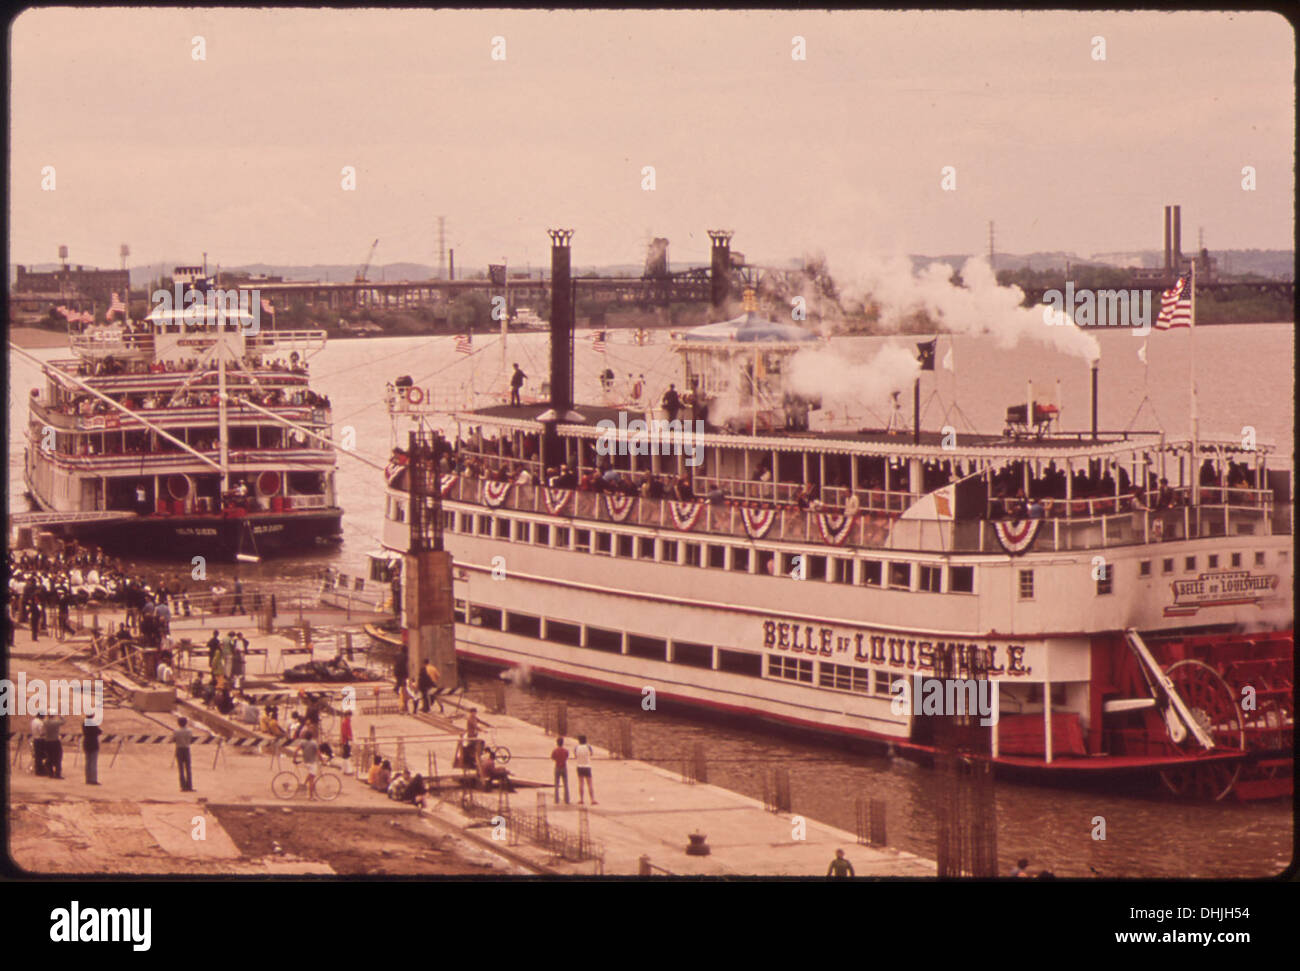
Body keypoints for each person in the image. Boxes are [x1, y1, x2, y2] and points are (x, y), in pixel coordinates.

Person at [173, 716, 195, 792]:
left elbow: (174, 740)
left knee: (181, 768)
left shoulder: (176, 731)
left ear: (178, 723)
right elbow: (191, 739)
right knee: (188, 768)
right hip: (187, 749)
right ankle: (190, 786)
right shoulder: (189, 731)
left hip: (179, 749)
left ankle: (183, 786)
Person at [573, 735, 596, 804]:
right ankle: (592, 800)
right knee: (590, 784)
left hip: (579, 766)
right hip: (587, 766)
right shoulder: (588, 747)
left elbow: (575, 756)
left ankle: (581, 799)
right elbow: (591, 754)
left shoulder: (576, 747)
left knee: (581, 783)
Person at [298, 730, 320, 799]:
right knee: (312, 780)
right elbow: (318, 753)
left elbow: (296, 751)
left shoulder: (302, 742)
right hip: (312, 763)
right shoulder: (314, 743)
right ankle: (311, 796)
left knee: (310, 775)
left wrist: (294, 759)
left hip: (305, 762)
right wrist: (323, 761)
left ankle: (304, 784)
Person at [43, 711, 64, 779]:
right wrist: (60, 716)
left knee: (49, 757)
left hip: (47, 741)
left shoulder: (45, 722)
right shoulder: (56, 722)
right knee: (58, 757)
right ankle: (57, 773)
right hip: (55, 741)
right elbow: (63, 721)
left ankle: (50, 773)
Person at [551, 736, 571, 805]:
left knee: (556, 784)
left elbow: (552, 757)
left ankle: (556, 799)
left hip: (557, 767)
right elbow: (567, 756)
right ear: (563, 743)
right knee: (566, 784)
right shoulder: (566, 751)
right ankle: (567, 799)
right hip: (564, 767)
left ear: (557, 743)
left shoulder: (555, 750)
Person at [83, 716, 102, 785]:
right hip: (93, 744)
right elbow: (99, 732)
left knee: (88, 762)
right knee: (93, 763)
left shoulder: (84, 723)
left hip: (86, 743)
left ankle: (88, 779)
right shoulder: (93, 723)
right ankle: (93, 779)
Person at [31, 710, 47, 776]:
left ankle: (38, 770)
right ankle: (41, 771)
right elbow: (42, 733)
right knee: (41, 756)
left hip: (35, 739)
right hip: (40, 740)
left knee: (37, 756)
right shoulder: (40, 723)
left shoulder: (33, 721)